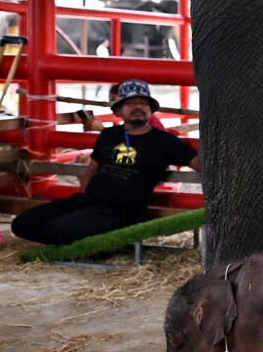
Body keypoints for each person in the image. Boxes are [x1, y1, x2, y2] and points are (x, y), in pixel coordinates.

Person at [12, 79, 200, 246]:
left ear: (151, 110)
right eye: (131, 103)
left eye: (143, 103)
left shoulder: (164, 141)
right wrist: (86, 197)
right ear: (118, 110)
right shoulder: (109, 135)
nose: (138, 107)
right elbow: (91, 170)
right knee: (21, 224)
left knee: (58, 229)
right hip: (87, 203)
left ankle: (97, 242)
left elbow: (198, 163)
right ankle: (89, 241)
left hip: (120, 212)